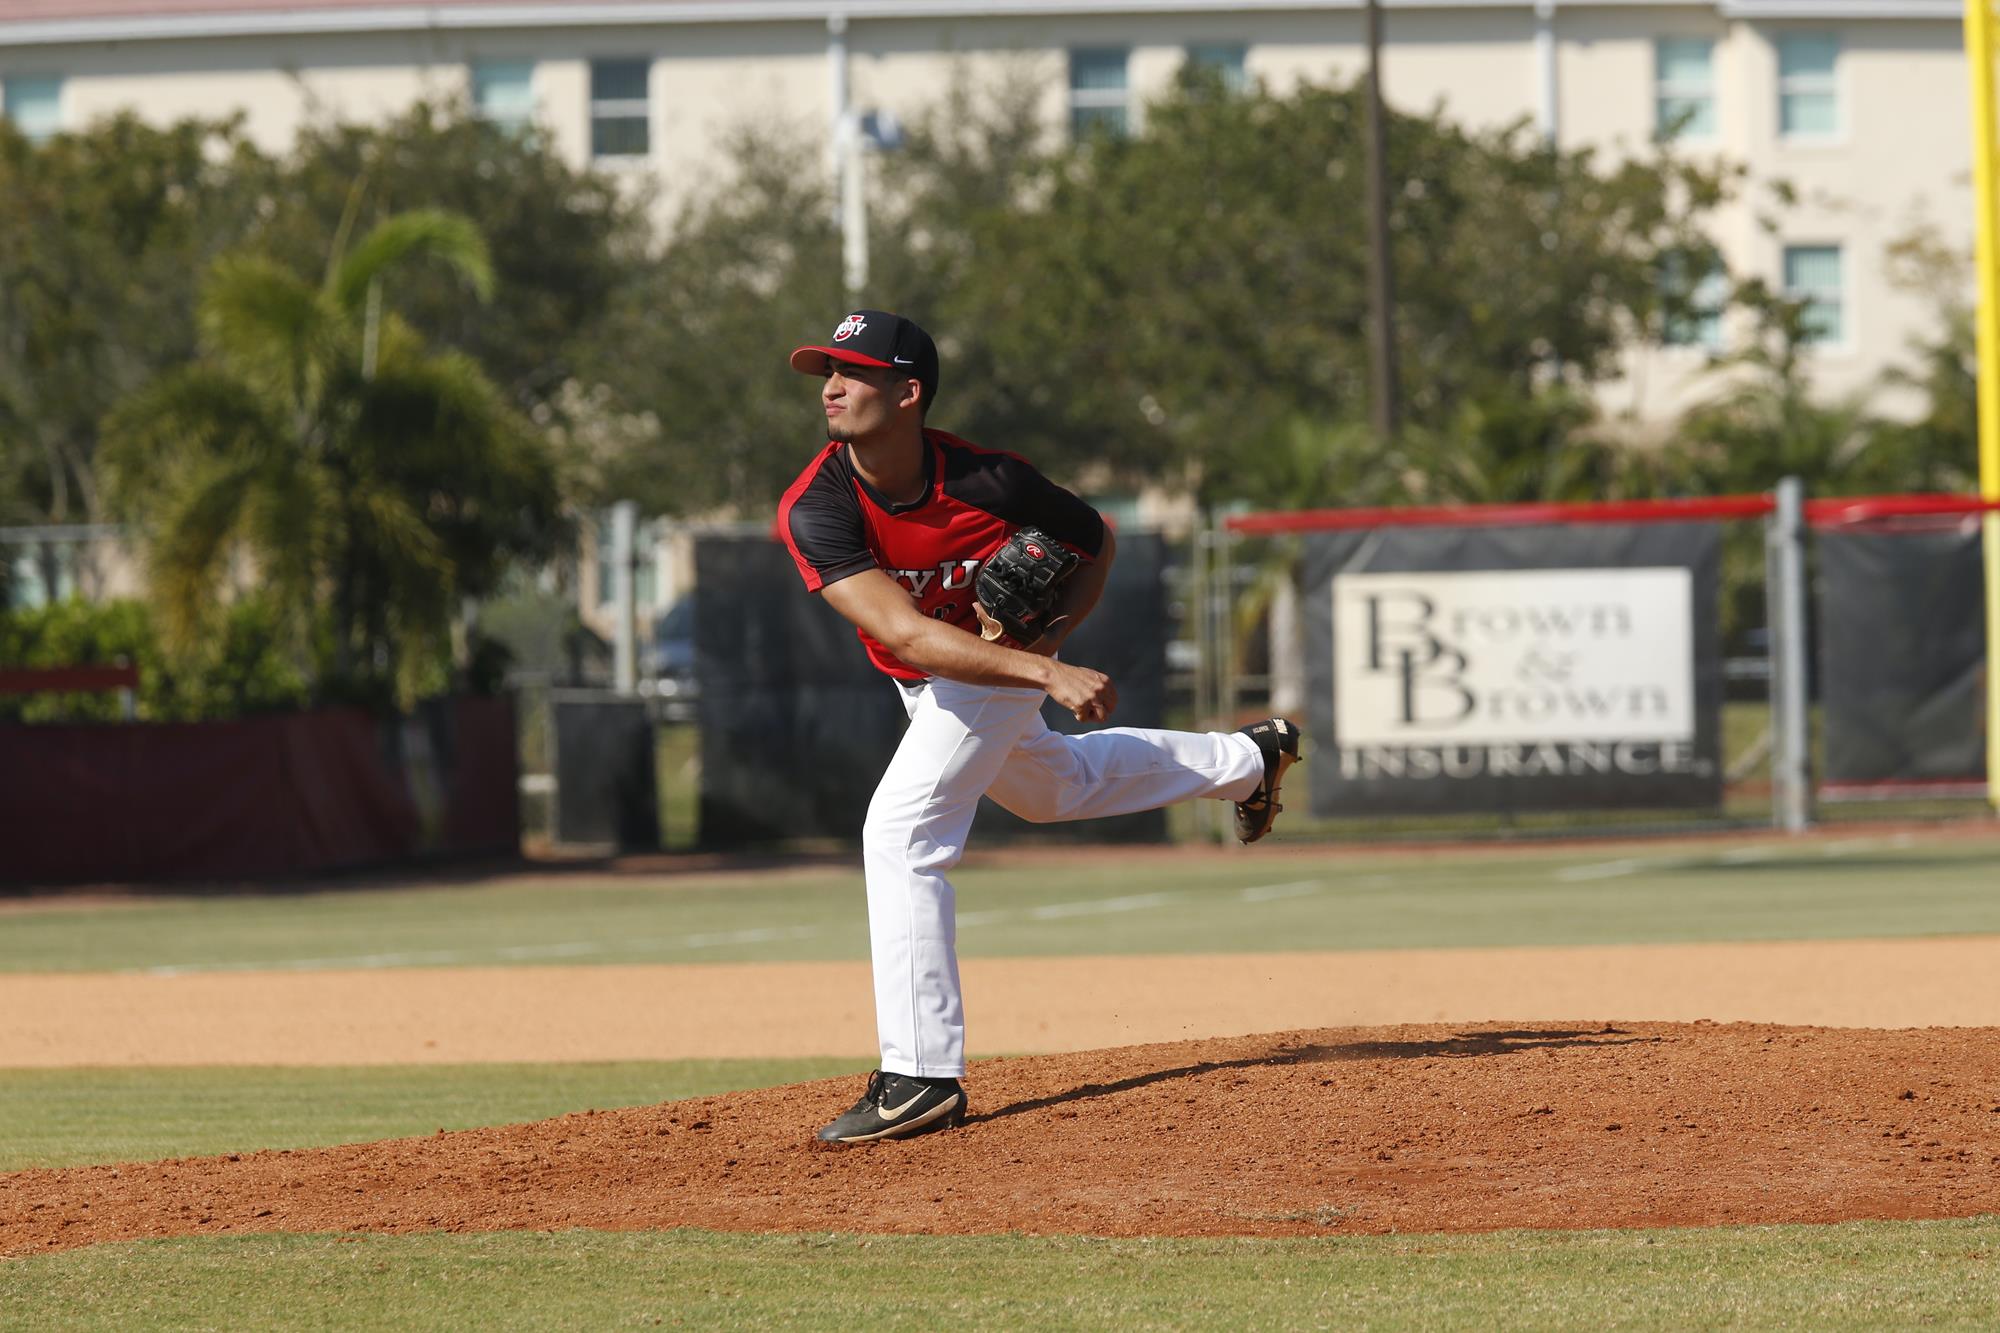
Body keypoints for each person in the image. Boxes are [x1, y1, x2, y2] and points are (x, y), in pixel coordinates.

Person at [777, 310, 1300, 1145]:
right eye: (825, 372)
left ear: (908, 391)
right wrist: (1047, 671)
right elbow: (906, 634)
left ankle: (921, 1074)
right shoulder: (820, 505)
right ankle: (1248, 757)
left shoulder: (991, 481)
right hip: (942, 673)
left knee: (902, 832)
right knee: (1053, 789)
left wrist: (1047, 639)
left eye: (854, 371)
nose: (831, 387)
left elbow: (1094, 541)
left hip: (998, 663)